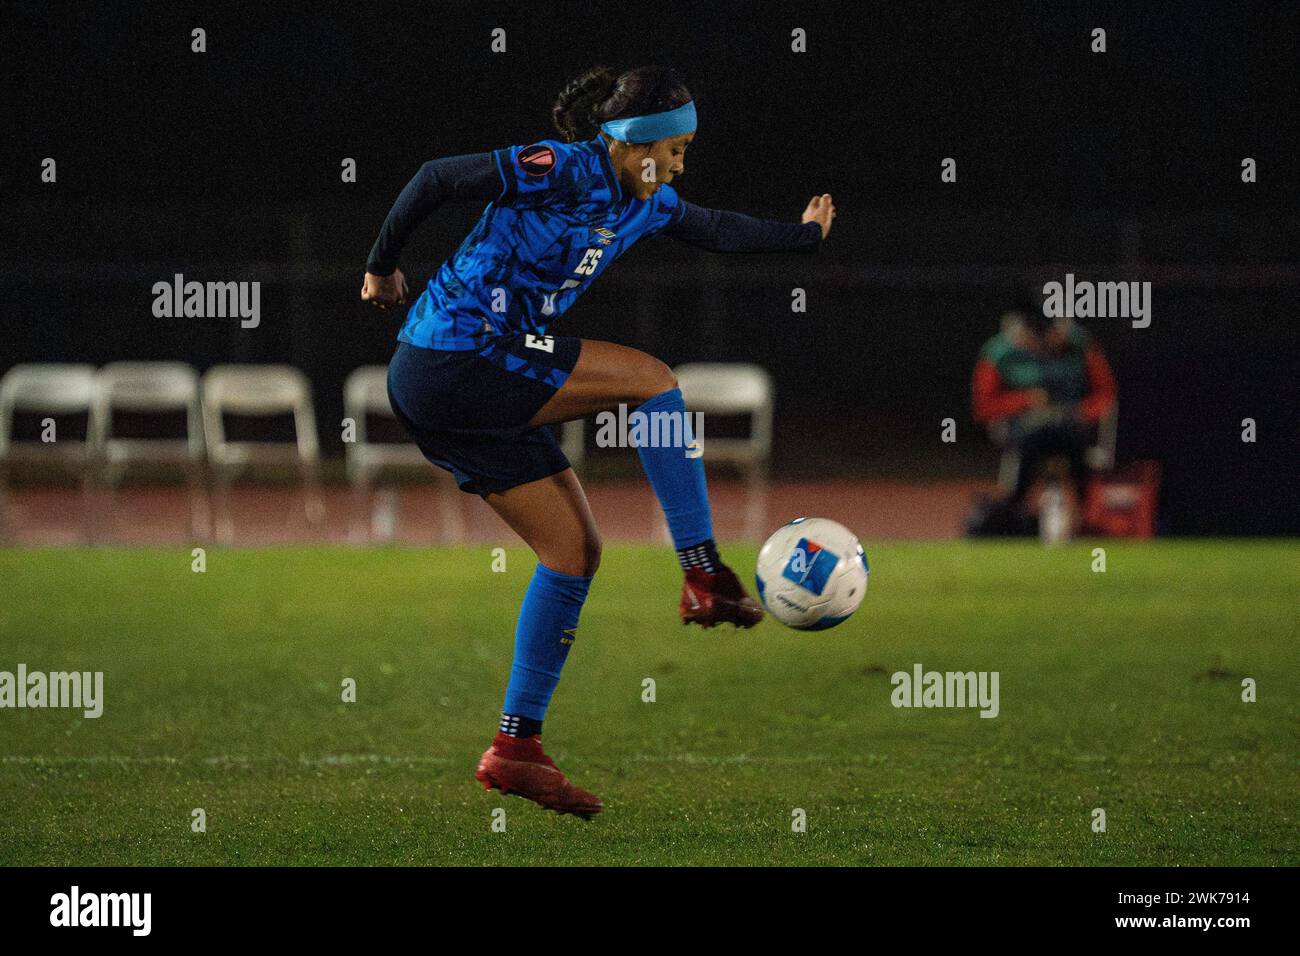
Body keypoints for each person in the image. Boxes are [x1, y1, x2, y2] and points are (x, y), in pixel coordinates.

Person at [361, 65, 835, 818]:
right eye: (672, 151)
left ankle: (516, 748)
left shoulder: (647, 201)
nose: (680, 165)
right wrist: (383, 266)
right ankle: (703, 572)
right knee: (652, 380)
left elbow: (716, 229)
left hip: (465, 385)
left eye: (684, 152)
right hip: (452, 355)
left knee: (574, 553)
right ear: (625, 143)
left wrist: (803, 238)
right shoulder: (565, 167)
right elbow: (437, 177)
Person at [971, 298, 1118, 519]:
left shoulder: (1081, 347)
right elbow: (983, 407)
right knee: (1029, 447)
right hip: (1024, 429)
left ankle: (1086, 512)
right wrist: (1026, 400)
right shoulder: (1000, 353)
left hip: (1071, 426)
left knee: (1076, 450)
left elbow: (1106, 395)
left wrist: (1083, 412)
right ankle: (1017, 512)